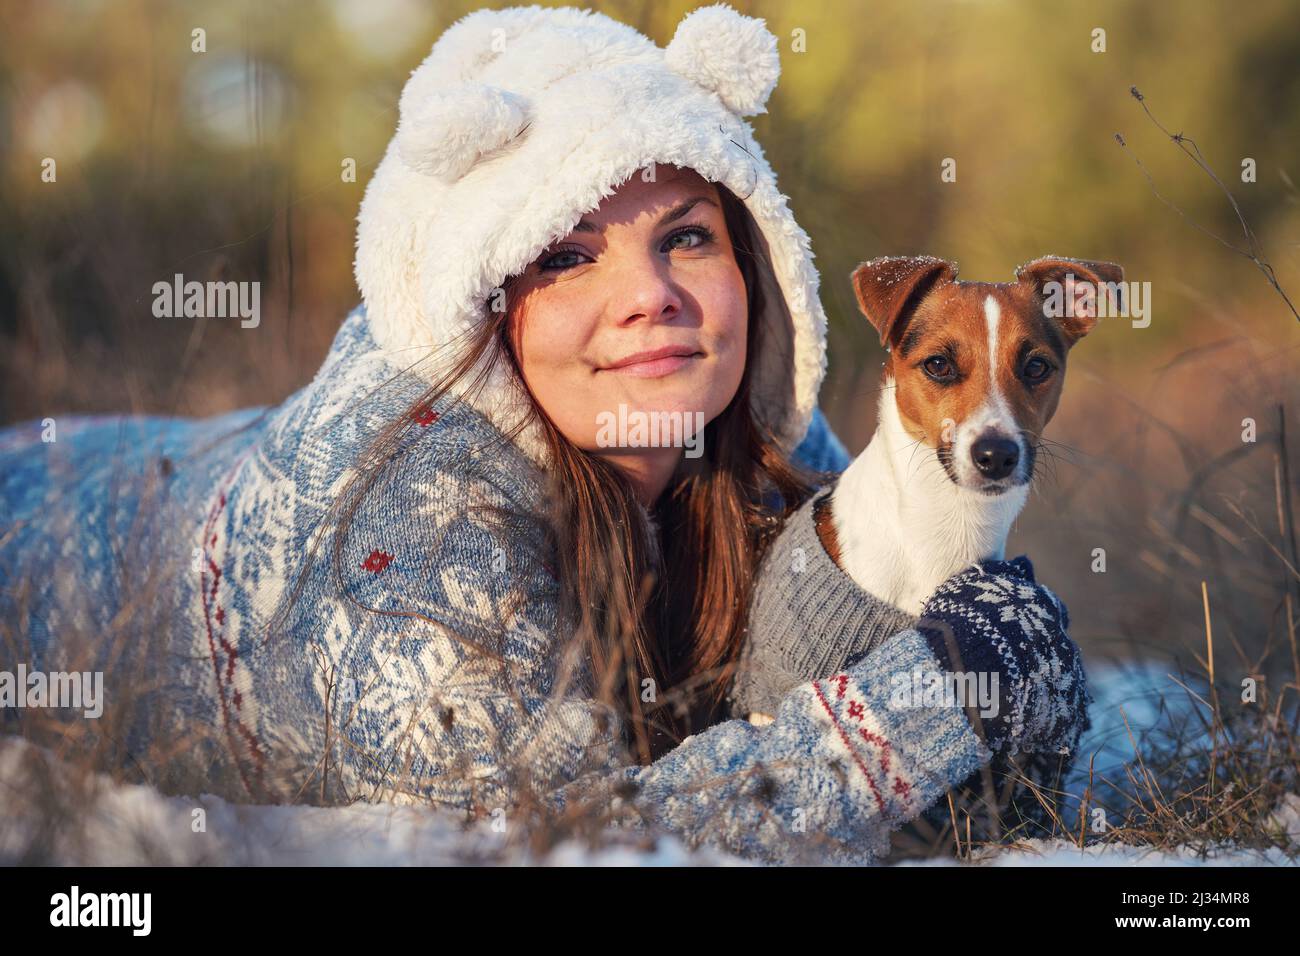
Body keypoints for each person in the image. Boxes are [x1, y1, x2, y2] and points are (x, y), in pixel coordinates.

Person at [0, 4, 1090, 864]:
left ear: (757, 265)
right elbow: (565, 843)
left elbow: (873, 741)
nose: (651, 294)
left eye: (690, 237)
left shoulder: (754, 427)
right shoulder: (397, 528)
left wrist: (1010, 702)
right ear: (483, 298)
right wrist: (938, 692)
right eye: (567, 255)